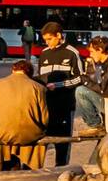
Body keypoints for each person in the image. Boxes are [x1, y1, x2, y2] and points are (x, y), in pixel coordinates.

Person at [0, 59, 50, 172]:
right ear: (29, 73)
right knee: (34, 137)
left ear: (13, 69)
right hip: (29, 136)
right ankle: (28, 167)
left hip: (1, 135)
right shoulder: (39, 88)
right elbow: (45, 119)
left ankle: (1, 165)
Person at [33, 21, 84, 166]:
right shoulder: (44, 54)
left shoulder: (72, 53)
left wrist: (59, 85)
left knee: (62, 144)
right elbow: (40, 77)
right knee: (41, 143)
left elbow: (80, 78)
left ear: (59, 35)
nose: (47, 43)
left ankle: (61, 174)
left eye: (49, 39)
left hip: (65, 106)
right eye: (45, 40)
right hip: (46, 107)